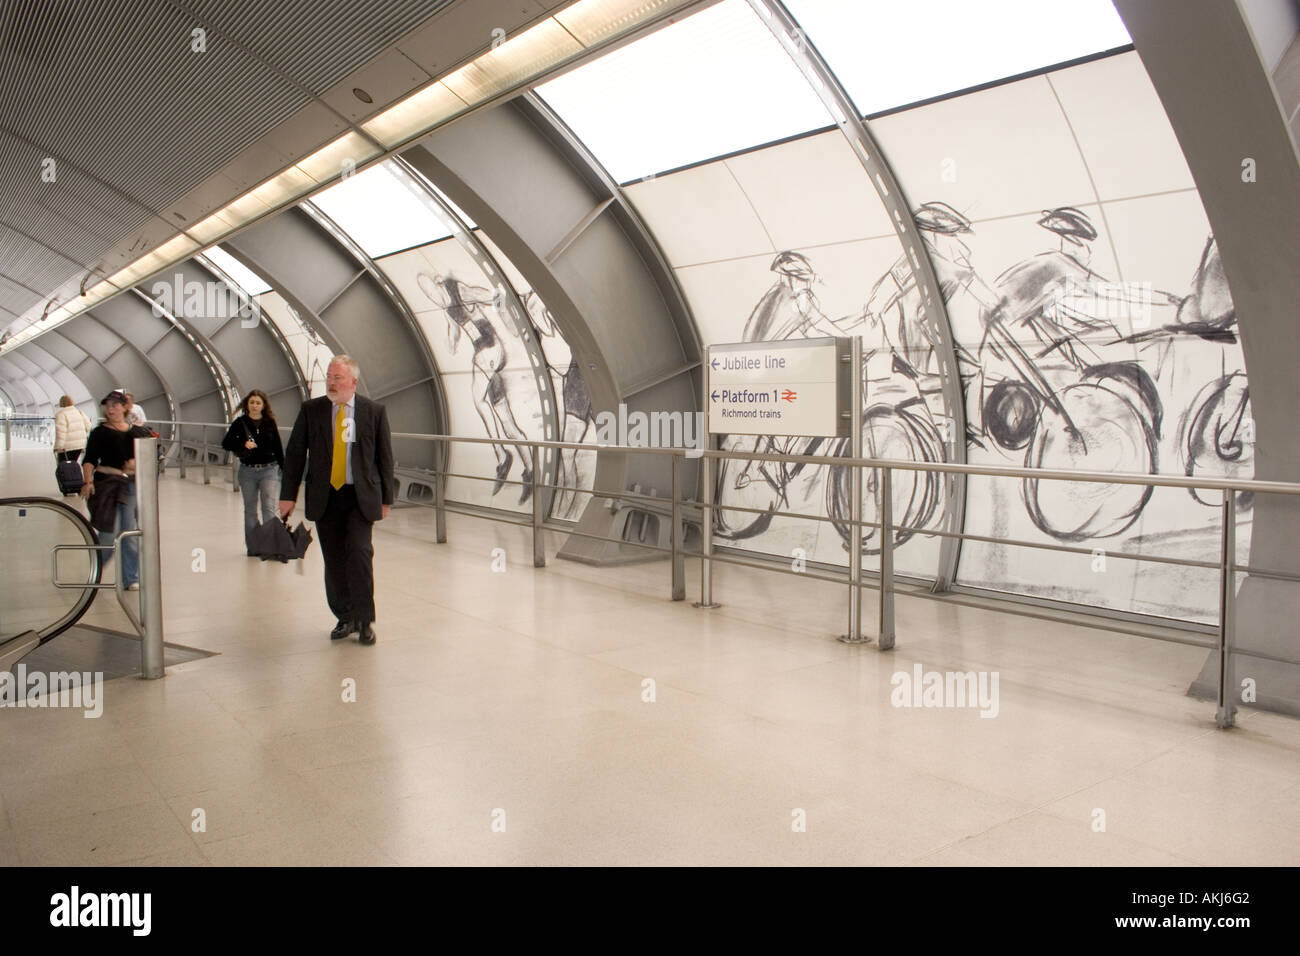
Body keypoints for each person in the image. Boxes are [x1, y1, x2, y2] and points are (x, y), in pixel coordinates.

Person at [279, 355, 393, 645]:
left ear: (353, 381)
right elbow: (294, 454)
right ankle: (345, 617)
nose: (331, 382)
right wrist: (287, 496)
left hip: (359, 497)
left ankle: (365, 620)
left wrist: (387, 499)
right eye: (329, 376)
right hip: (325, 496)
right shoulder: (311, 411)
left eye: (337, 377)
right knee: (334, 560)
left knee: (360, 553)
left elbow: (385, 457)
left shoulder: (373, 412)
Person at [80, 390, 151, 590]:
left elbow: (145, 458)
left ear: (125, 407)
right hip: (106, 485)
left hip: (128, 485)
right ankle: (96, 569)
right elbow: (89, 460)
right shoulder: (99, 433)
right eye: (108, 405)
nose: (111, 409)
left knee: (127, 531)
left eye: (116, 405)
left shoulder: (135, 432)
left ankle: (131, 577)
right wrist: (88, 482)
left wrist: (134, 465)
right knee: (109, 533)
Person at [221, 389, 285, 555]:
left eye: (258, 403)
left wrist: (285, 471)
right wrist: (242, 444)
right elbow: (226, 443)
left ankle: (270, 546)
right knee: (250, 509)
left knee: (268, 508)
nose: (255, 406)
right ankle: (254, 546)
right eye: (252, 402)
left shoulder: (270, 423)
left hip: (269, 470)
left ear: (263, 405)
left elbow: (278, 447)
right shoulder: (240, 423)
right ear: (247, 405)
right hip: (248, 471)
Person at [54, 395, 92, 465]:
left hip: (67, 447)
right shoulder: (79, 412)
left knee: (64, 467)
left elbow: (61, 432)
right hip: (80, 445)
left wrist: (59, 447)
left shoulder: (61, 414)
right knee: (73, 464)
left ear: (61, 403)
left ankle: (69, 476)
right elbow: (88, 426)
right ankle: (74, 475)